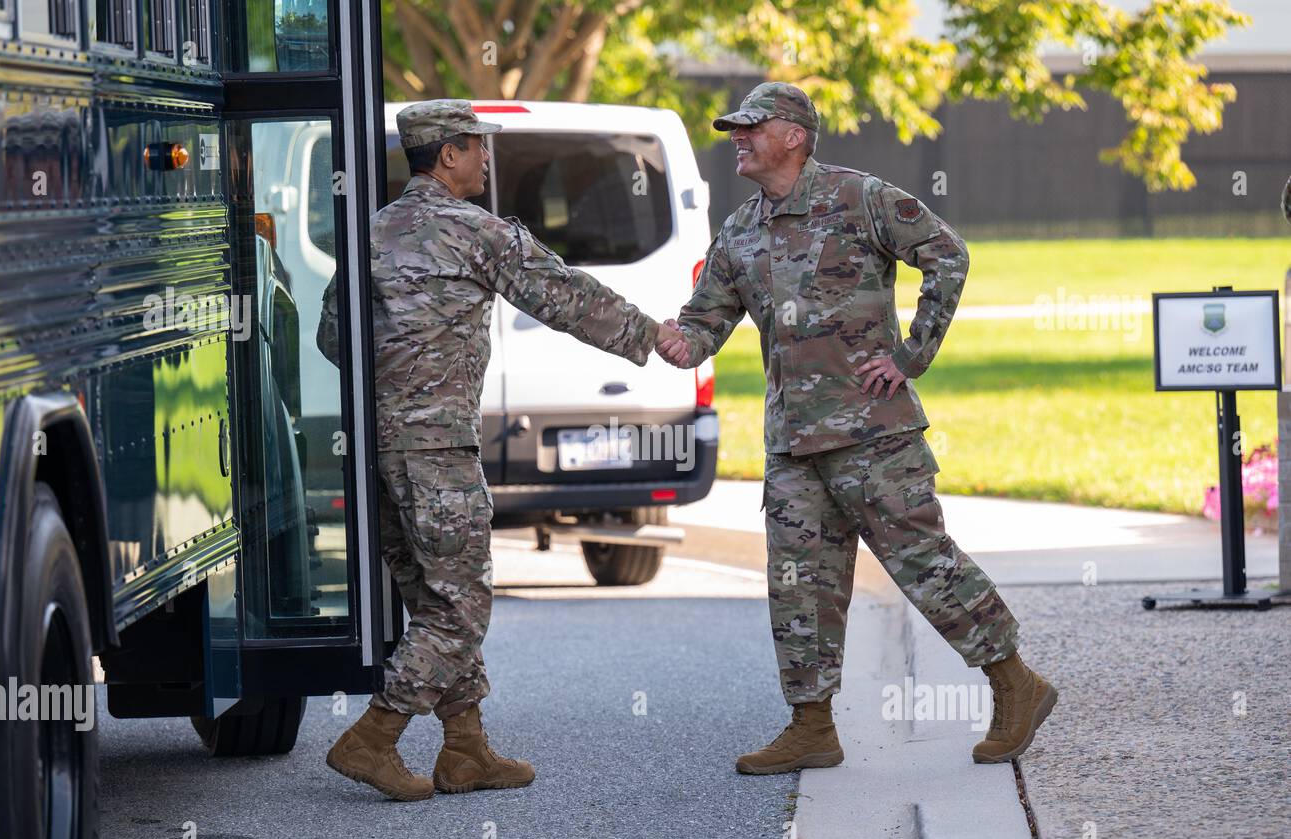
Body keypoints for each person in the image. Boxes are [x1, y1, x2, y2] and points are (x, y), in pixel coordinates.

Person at [656, 82, 1056, 774]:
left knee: (925, 564)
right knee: (797, 583)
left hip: (873, 435)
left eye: (752, 127)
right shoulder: (741, 228)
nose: (738, 138)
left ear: (795, 135)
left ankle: (1015, 683)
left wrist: (911, 355)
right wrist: (680, 342)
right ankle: (812, 725)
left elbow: (948, 254)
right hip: (792, 445)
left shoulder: (860, 198)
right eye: (735, 129)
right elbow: (707, 318)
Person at [319, 100, 682, 800]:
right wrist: (649, 336)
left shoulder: (371, 233)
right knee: (462, 608)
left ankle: (465, 749)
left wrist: (395, 379)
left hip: (381, 453)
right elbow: (564, 295)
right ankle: (374, 735)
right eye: (477, 147)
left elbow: (334, 336)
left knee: (432, 599)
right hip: (441, 452)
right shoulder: (476, 232)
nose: (486, 158)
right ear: (446, 155)